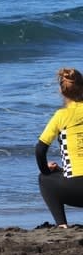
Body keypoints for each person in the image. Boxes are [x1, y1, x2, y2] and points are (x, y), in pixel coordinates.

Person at [35, 67, 83, 228]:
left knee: (44, 178)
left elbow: (40, 150)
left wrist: (46, 170)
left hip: (76, 191)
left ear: (62, 91)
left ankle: (61, 224)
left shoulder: (61, 116)